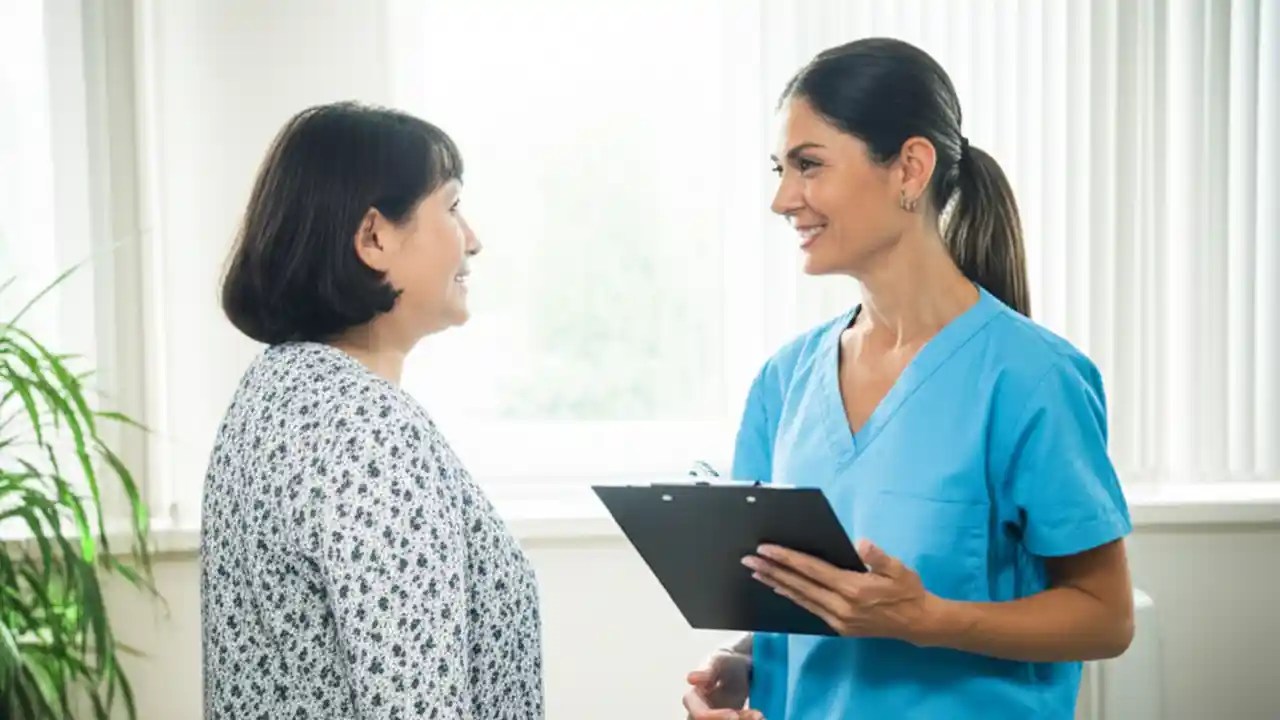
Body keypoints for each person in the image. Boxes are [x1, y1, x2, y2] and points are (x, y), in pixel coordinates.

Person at [684, 38, 1134, 720]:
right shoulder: (786, 380)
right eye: (779, 168)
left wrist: (927, 618)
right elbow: (801, 593)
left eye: (808, 165)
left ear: (910, 169)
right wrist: (746, 662)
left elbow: (1106, 618)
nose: (782, 199)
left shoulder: (1032, 379)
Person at [201, 102, 544, 719]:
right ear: (374, 236)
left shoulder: (272, 391)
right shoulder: (366, 429)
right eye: (453, 206)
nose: (473, 240)